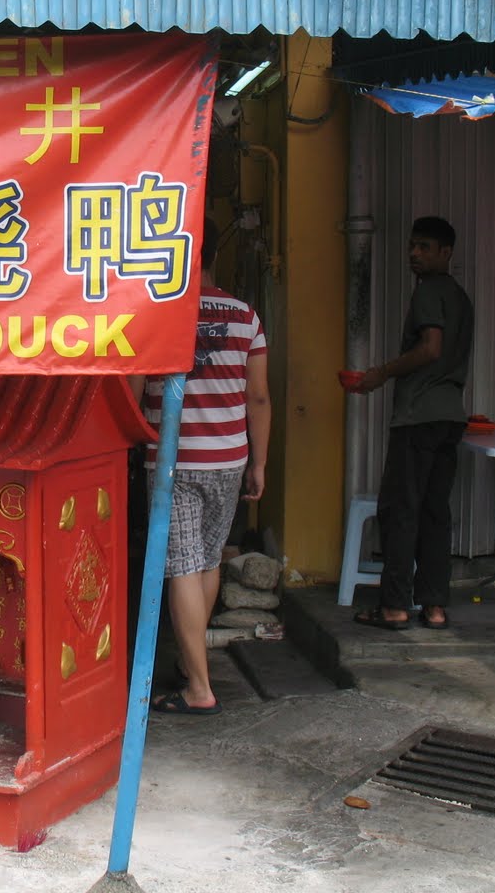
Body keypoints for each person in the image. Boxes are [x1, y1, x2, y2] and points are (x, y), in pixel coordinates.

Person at [133, 221, 270, 716]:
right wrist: (260, 461)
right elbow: (257, 395)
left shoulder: (160, 311)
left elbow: (133, 387)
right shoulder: (244, 315)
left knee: (182, 567)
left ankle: (199, 689)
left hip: (175, 458)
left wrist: (132, 437)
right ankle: (194, 668)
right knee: (206, 561)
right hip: (228, 457)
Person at [352, 215, 474, 631]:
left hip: (417, 417)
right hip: (450, 417)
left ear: (446, 253)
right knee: (435, 512)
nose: (414, 254)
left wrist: (381, 373)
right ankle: (435, 606)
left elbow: (431, 348)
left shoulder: (428, 293)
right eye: (412, 246)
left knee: (400, 510)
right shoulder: (460, 297)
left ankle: (394, 606)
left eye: (425, 247)